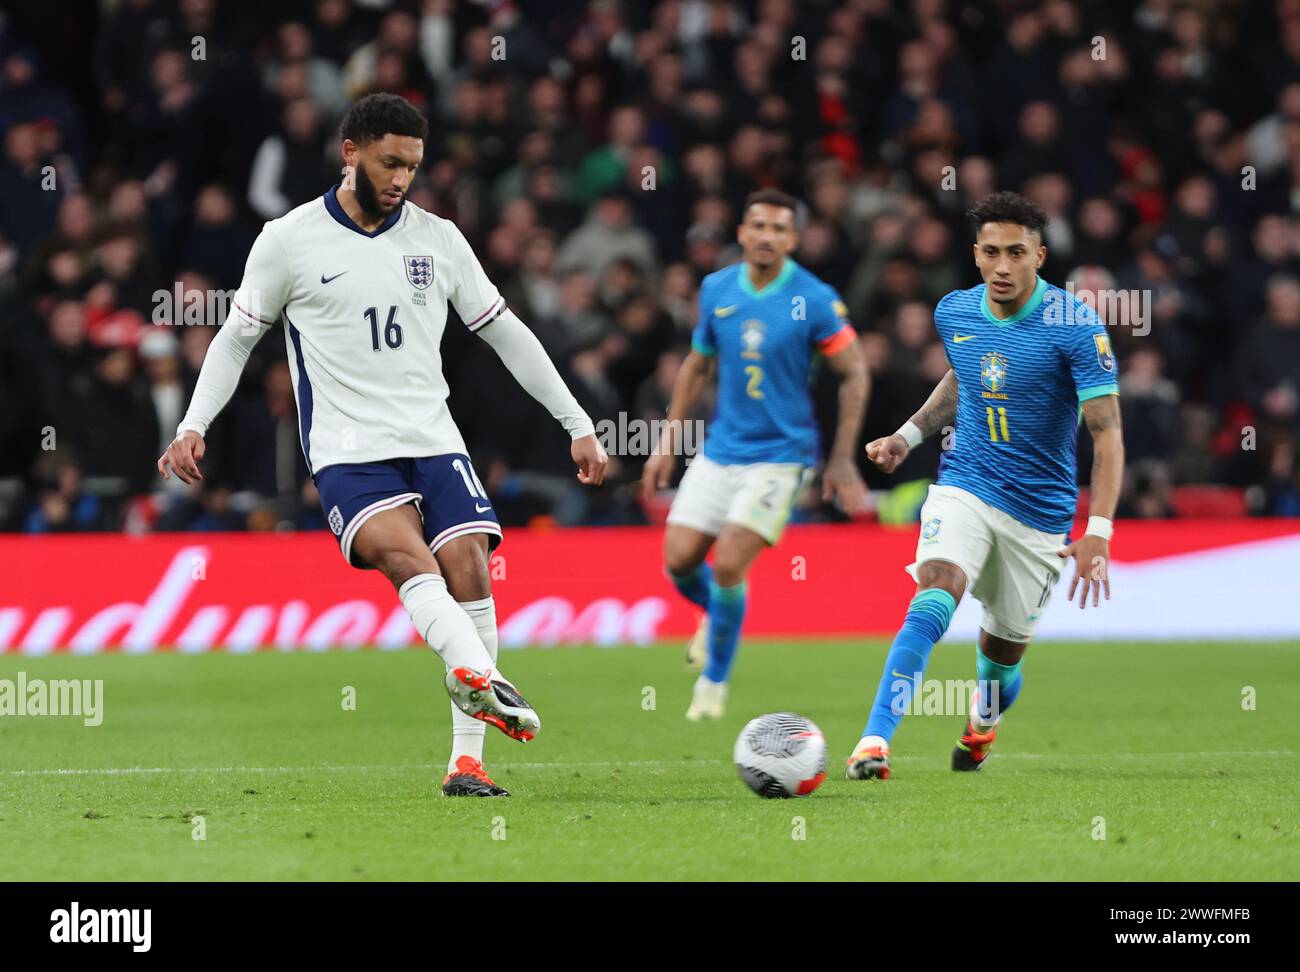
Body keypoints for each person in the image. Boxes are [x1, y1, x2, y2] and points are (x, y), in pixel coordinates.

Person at [158, 93, 609, 797]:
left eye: (413, 166)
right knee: (406, 557)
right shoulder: (289, 239)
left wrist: (576, 422)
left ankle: (467, 761)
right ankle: (483, 677)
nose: (402, 178)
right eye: (390, 162)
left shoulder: (439, 239)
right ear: (351, 151)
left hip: (432, 435)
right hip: (345, 446)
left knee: (469, 567)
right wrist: (194, 424)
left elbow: (505, 332)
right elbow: (237, 336)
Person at [846, 191, 1125, 780]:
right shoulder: (954, 312)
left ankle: (982, 724)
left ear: (1040, 256)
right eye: (992, 252)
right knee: (934, 591)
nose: (1003, 266)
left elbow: (1107, 435)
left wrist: (1098, 530)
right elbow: (962, 378)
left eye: (1016, 253)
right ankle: (874, 741)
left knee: (999, 664)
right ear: (975, 254)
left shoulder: (1074, 326)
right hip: (966, 483)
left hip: (1041, 515)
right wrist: (907, 436)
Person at [641, 189, 869, 721]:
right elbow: (697, 366)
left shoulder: (814, 298)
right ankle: (713, 617)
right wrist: (665, 445)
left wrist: (840, 457)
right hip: (721, 451)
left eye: (779, 228)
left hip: (781, 456)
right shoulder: (717, 288)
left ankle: (714, 682)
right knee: (678, 563)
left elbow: (855, 370)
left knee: (727, 565)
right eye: (758, 225)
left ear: (793, 239)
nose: (767, 236)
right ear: (742, 232)